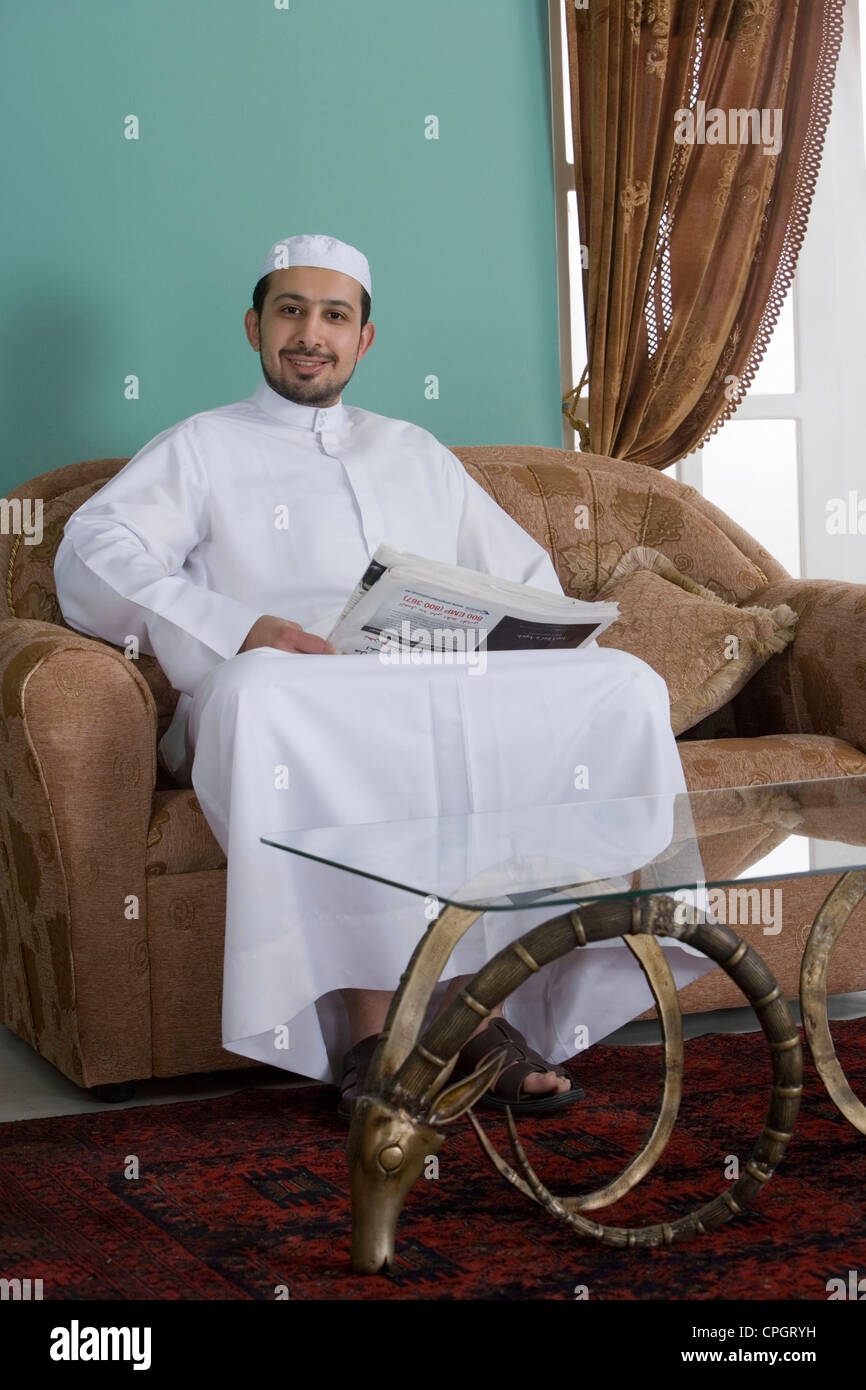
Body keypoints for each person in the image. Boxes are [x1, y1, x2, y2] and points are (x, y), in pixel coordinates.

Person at [54, 233, 713, 1120]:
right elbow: (94, 556)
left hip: (432, 680)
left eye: (335, 315)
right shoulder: (200, 447)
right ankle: (372, 1036)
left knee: (623, 682)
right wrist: (241, 626)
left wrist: (535, 636)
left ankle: (476, 1010)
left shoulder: (413, 449)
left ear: (364, 340)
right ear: (256, 326)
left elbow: (517, 575)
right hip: (293, 690)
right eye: (290, 311)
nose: (310, 333)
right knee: (265, 697)